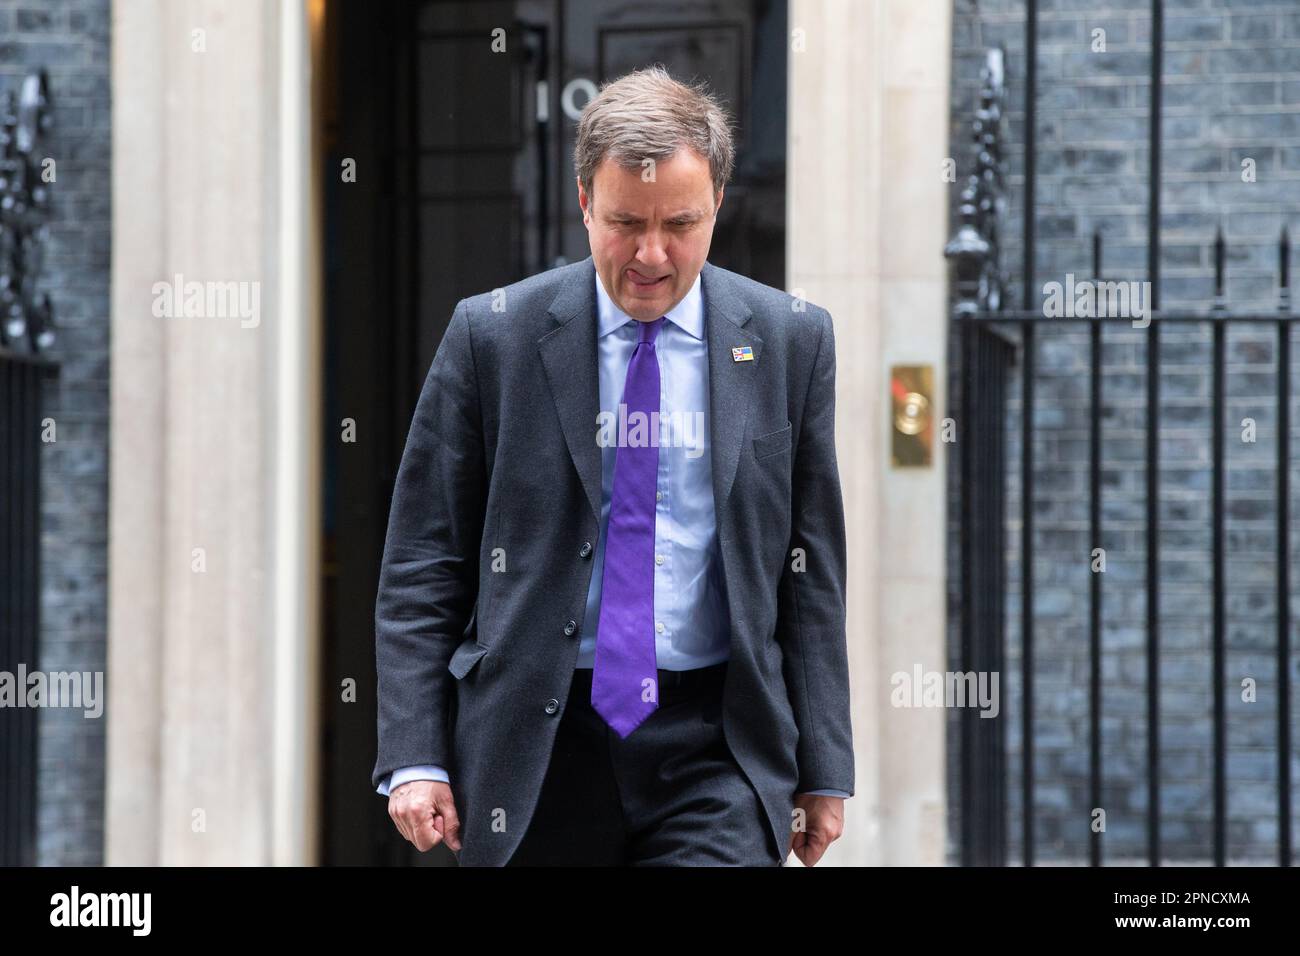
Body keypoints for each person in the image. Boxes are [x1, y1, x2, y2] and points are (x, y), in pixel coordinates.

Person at [372, 64, 853, 866]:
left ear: (718, 204)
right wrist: (415, 755)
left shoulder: (790, 343)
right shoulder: (492, 338)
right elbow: (425, 560)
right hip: (536, 748)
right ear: (585, 202)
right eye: (626, 222)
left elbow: (812, 577)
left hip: (717, 746)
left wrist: (825, 765)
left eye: (681, 224)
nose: (652, 255)